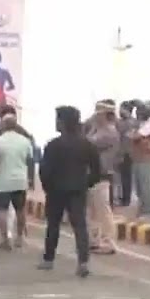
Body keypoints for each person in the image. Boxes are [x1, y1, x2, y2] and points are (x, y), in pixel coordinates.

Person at [39, 106, 98, 277]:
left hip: (56, 190)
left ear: (63, 123)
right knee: (80, 226)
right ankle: (83, 262)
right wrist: (86, 183)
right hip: (77, 190)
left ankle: (48, 259)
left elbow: (45, 170)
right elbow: (97, 170)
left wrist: (47, 187)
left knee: (53, 225)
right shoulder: (87, 145)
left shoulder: (53, 145)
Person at [0, 112, 33, 251]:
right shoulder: (25, 141)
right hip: (20, 180)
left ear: (3, 125)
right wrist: (30, 179)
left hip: (3, 181)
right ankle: (19, 237)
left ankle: (5, 239)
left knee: (1, 210)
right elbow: (30, 161)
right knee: (20, 209)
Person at [85, 102, 120, 254]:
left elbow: (88, 143)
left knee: (103, 210)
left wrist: (91, 124)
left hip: (103, 173)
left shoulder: (109, 132)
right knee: (93, 210)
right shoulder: (98, 130)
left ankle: (109, 241)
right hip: (93, 174)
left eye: (98, 113)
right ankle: (95, 240)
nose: (95, 115)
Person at [129, 102, 150, 220]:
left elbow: (135, 136)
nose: (139, 112)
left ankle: (149, 211)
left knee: (146, 185)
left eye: (142, 110)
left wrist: (134, 133)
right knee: (140, 185)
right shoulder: (143, 123)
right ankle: (142, 209)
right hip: (138, 157)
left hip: (146, 158)